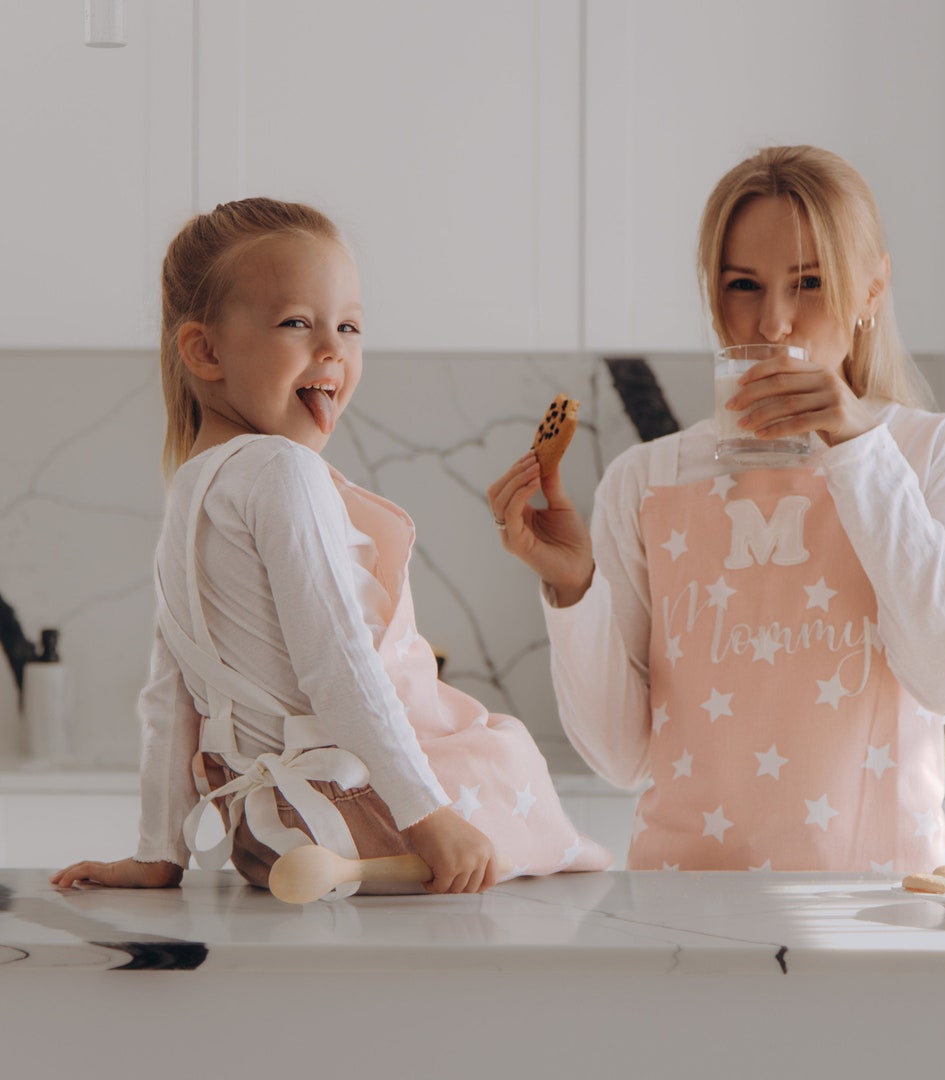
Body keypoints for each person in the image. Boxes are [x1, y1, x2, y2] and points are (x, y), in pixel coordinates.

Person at [52, 197, 608, 897]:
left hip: (264, 834)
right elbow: (339, 663)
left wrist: (160, 852)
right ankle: (448, 850)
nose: (334, 350)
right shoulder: (283, 471)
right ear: (205, 350)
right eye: (297, 323)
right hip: (352, 812)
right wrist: (427, 813)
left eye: (349, 326)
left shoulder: (189, 496)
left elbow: (173, 698)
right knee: (505, 749)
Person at [487, 146, 945, 875]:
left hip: (880, 921)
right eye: (743, 285)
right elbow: (621, 756)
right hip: (683, 921)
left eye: (810, 282)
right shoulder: (648, 479)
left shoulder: (941, 456)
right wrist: (574, 592)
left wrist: (856, 447)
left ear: (873, 289)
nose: (772, 323)